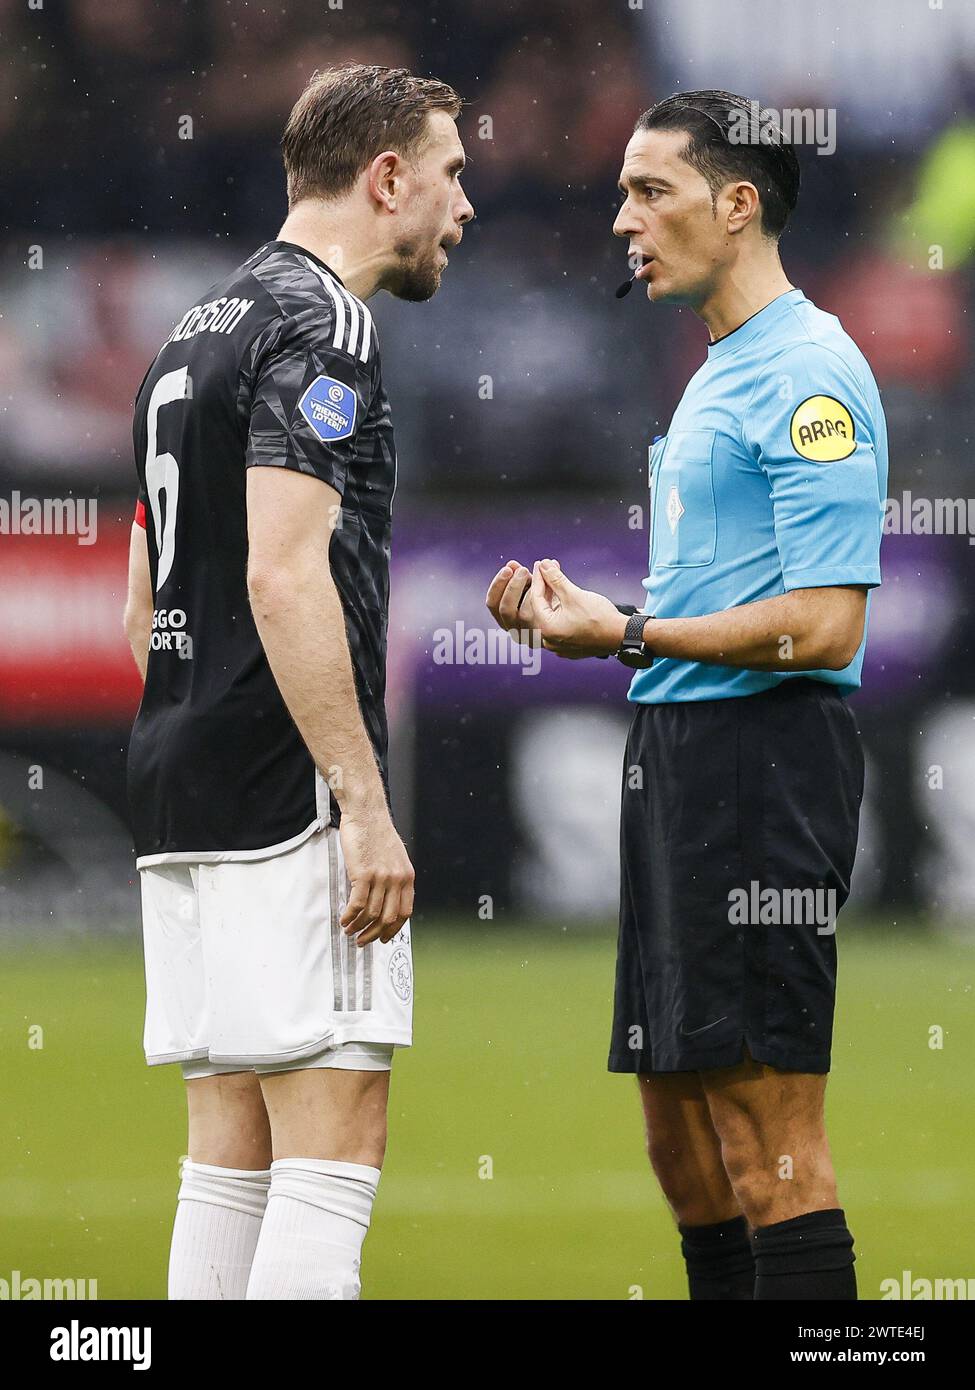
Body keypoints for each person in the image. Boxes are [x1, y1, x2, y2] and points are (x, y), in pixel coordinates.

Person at [486, 90, 886, 1301]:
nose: (624, 220)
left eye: (649, 191)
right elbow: (728, 593)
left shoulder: (812, 370)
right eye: (622, 194)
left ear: (739, 202)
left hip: (763, 768)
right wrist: (604, 624)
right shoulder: (717, 366)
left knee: (770, 1149)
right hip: (680, 754)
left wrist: (637, 630)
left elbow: (825, 623)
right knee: (687, 1152)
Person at [123, 63, 474, 1300]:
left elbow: (141, 600)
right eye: (450, 174)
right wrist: (362, 802)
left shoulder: (192, 327)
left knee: (228, 1149)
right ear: (387, 179)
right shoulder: (327, 325)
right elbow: (284, 574)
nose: (463, 206)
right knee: (335, 1143)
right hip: (288, 793)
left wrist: (203, 721)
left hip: (180, 784)